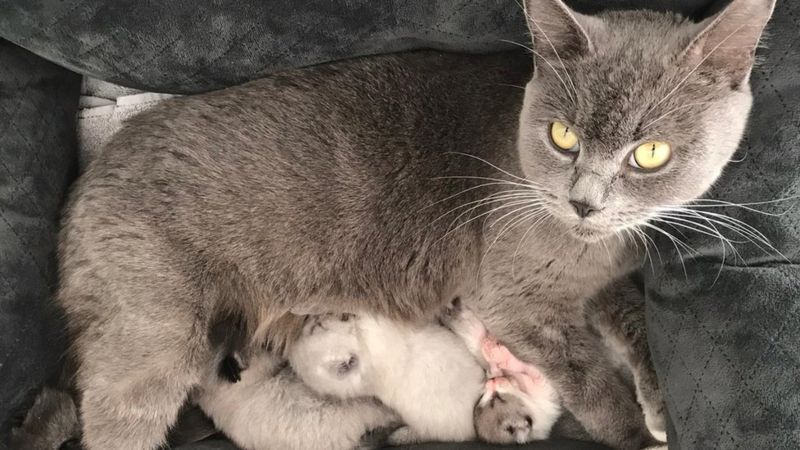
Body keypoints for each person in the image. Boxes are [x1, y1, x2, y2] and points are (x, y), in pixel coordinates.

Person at [0, 0, 797, 449]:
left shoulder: (659, 151)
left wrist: (634, 335)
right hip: (184, 210)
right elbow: (525, 305)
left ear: (733, 81)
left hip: (290, 292)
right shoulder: (535, 148)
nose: (587, 196)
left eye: (649, 155)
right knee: (135, 400)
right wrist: (624, 425)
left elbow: (571, 282)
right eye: (564, 142)